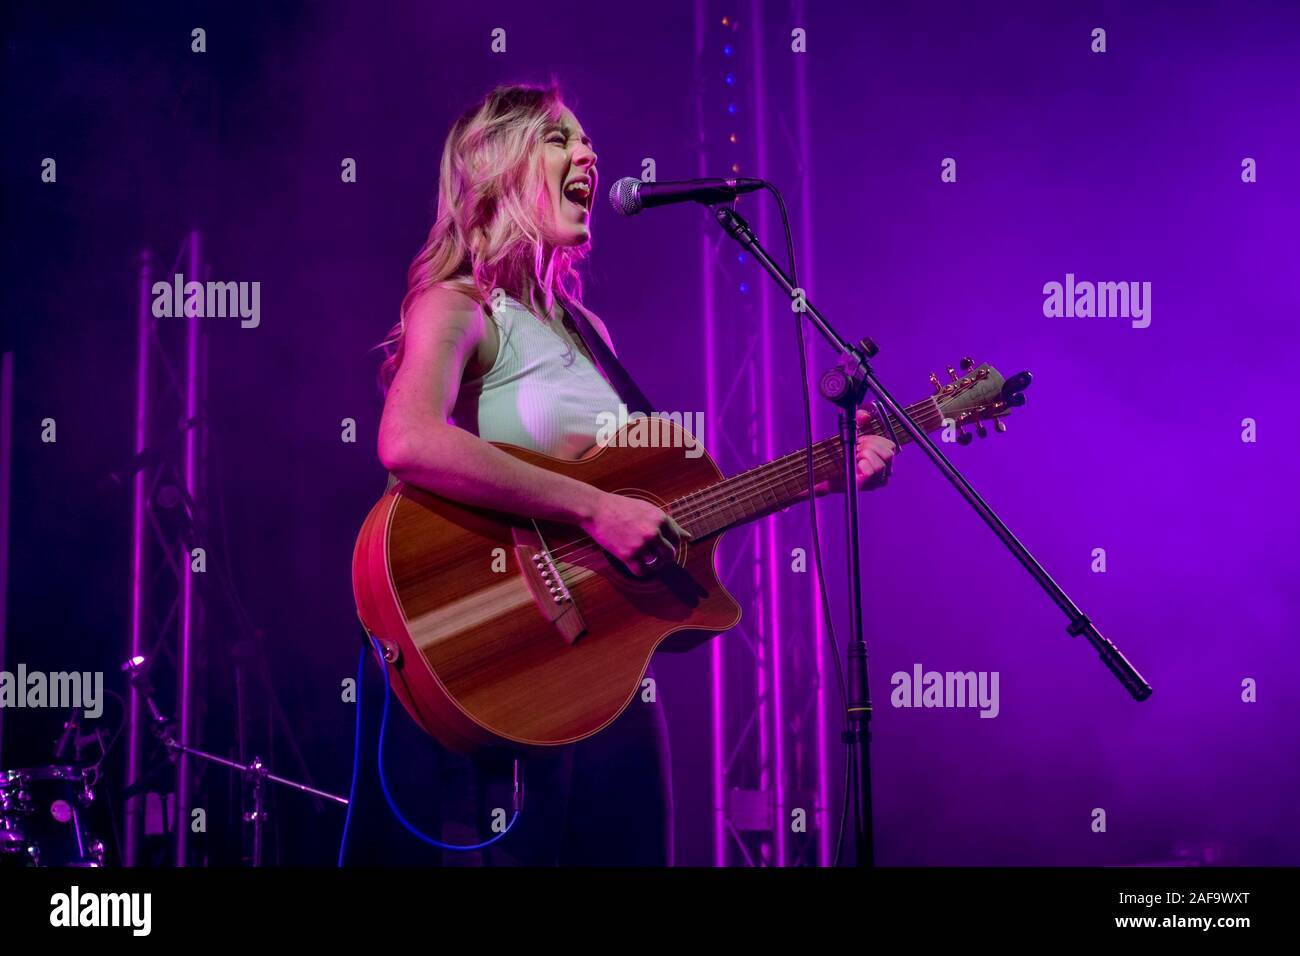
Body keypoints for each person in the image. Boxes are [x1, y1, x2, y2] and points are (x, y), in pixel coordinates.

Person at [347, 83, 896, 866]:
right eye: (562, 140)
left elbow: (661, 510)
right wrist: (597, 509)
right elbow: (407, 441)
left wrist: (823, 473)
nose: (590, 156)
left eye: (588, 143)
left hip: (603, 664)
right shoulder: (460, 305)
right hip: (506, 650)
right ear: (500, 165)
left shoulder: (588, 331)